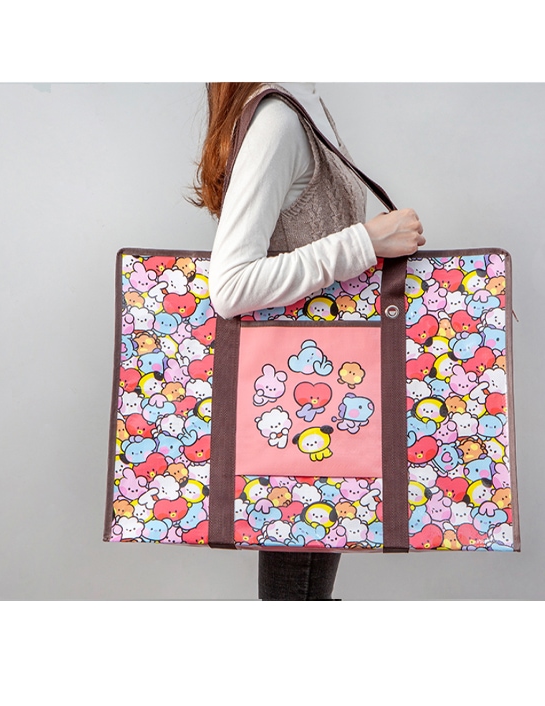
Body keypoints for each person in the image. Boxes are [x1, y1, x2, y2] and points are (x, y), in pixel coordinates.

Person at [191, 82, 425, 600]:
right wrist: (365, 241)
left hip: (325, 391)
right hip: (292, 396)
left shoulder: (301, 105)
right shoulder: (277, 120)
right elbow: (231, 287)